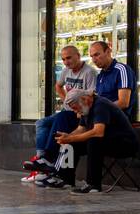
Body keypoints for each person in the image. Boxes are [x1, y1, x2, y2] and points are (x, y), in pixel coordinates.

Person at [21, 45, 97, 184]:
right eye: (63, 59)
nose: (66, 62)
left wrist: (79, 108)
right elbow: (58, 86)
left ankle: (48, 161)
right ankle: (42, 163)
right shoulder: (65, 71)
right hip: (67, 111)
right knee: (41, 123)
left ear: (78, 56)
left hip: (81, 114)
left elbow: (92, 95)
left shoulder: (89, 72)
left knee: (61, 118)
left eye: (69, 58)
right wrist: (66, 100)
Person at [53, 88, 140, 194]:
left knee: (94, 141)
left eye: (76, 108)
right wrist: (67, 137)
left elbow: (98, 132)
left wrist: (71, 138)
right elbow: (81, 129)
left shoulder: (100, 105)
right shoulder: (86, 108)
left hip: (125, 144)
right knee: (70, 144)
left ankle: (93, 185)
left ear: (84, 99)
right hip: (107, 142)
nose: (76, 112)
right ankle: (66, 179)